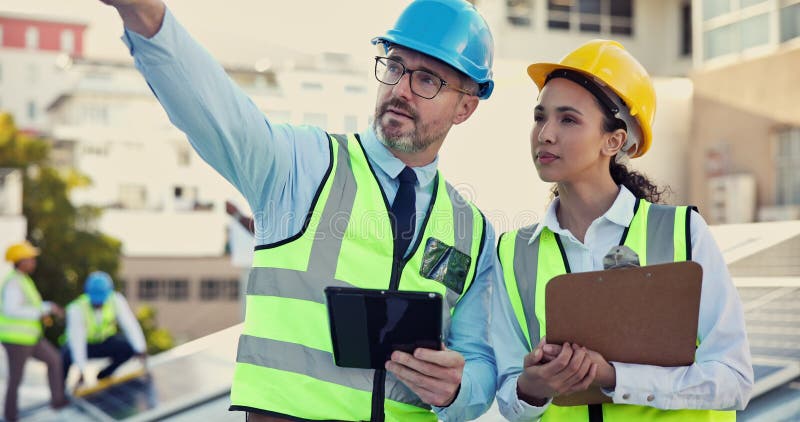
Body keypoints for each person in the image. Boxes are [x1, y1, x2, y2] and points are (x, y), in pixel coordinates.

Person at [97, 0, 499, 420]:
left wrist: (458, 389)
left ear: (465, 106)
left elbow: (480, 365)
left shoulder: (473, 231)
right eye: (395, 66)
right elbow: (214, 109)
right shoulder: (304, 166)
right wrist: (147, 18)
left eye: (427, 79)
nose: (400, 89)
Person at [492, 39, 754, 421]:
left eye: (568, 119)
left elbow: (734, 380)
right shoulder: (513, 252)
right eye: (539, 116)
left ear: (613, 141)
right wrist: (532, 388)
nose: (545, 134)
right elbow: (509, 400)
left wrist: (615, 378)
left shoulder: (684, 233)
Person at [1, 241, 67, 421]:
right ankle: (10, 415)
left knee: (54, 360)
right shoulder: (14, 282)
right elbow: (11, 310)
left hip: (30, 337)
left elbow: (32, 305)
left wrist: (48, 307)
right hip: (17, 339)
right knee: (16, 378)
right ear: (20, 260)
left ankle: (58, 400)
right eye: (30, 258)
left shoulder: (24, 280)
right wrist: (42, 311)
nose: (33, 262)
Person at [61, 271, 147, 386]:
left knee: (127, 348)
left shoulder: (116, 300)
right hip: (86, 345)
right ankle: (61, 389)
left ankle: (103, 376)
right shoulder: (76, 309)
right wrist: (81, 371)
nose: (99, 303)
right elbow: (77, 341)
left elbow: (130, 325)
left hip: (105, 342)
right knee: (64, 356)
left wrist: (140, 349)